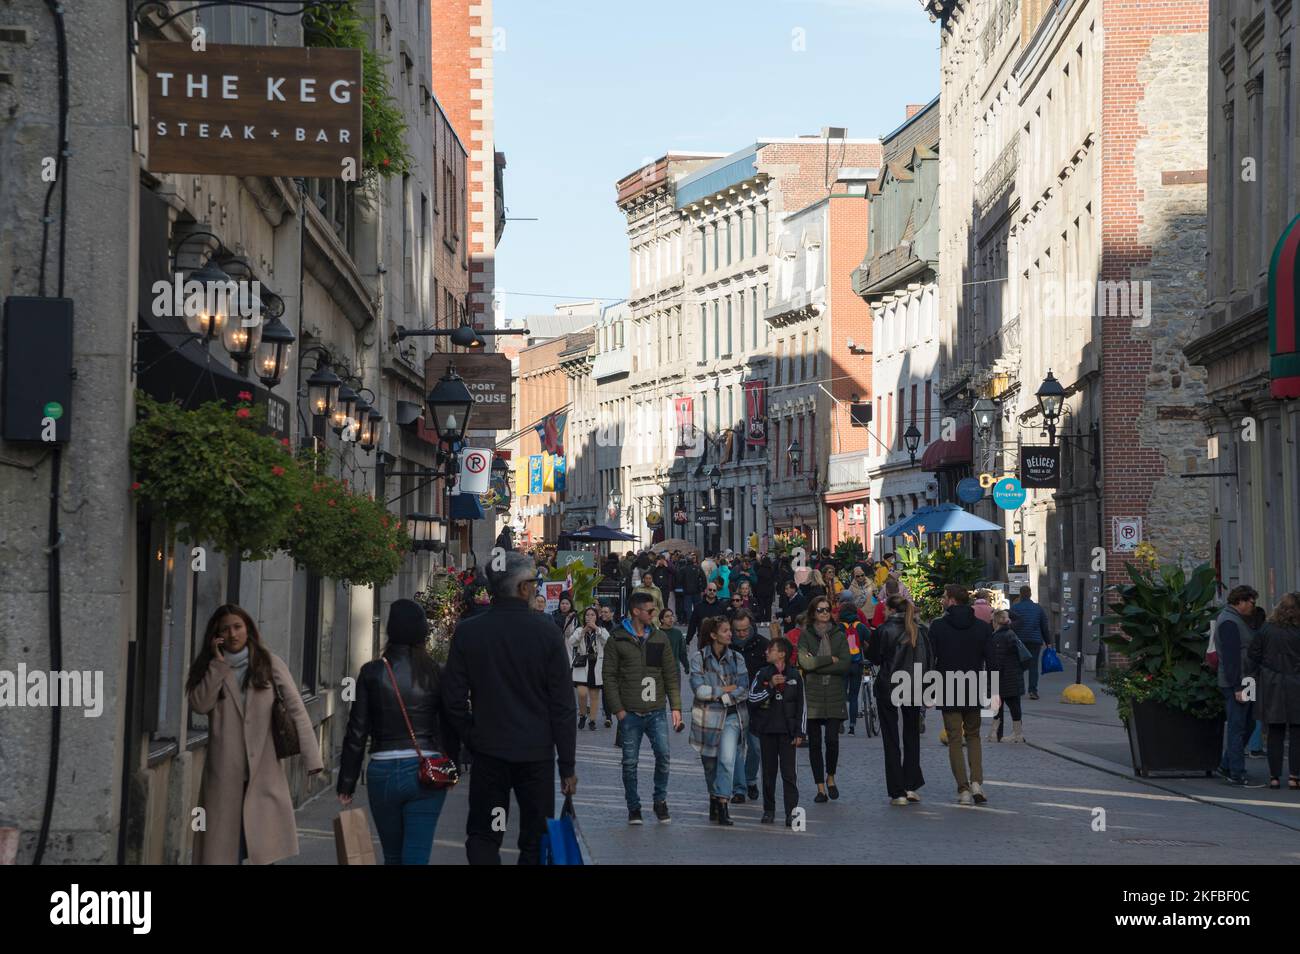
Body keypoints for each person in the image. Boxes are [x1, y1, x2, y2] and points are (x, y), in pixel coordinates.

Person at [443, 552, 578, 865]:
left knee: (486, 833)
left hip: (490, 751)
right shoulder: (546, 633)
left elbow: (451, 697)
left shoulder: (469, 632)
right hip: (536, 755)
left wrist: (471, 734)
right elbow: (563, 704)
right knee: (534, 839)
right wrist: (567, 765)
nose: (537, 589)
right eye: (534, 583)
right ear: (523, 589)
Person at [186, 604, 323, 864]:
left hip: (264, 772)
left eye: (237, 626)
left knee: (264, 851)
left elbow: (296, 710)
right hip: (224, 777)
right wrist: (218, 665)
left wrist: (312, 759)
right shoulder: (210, 667)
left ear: (248, 628)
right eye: (225, 629)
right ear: (217, 635)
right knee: (224, 853)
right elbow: (200, 705)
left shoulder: (269, 663)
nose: (233, 633)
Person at [337, 599, 455, 864]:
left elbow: (357, 730)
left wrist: (347, 780)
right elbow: (450, 722)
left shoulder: (372, 672)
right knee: (416, 856)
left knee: (392, 856)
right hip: (427, 770)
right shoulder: (436, 673)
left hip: (383, 770)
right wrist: (453, 765)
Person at [604, 591, 683, 824]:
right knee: (630, 763)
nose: (654, 614)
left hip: (656, 710)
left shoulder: (659, 638)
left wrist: (676, 707)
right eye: (650, 611)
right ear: (636, 612)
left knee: (664, 756)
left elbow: (670, 674)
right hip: (629, 713)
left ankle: (660, 801)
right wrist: (618, 711)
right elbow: (608, 676)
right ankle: (634, 807)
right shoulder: (617, 638)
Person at [928, 584, 995, 805]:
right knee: (974, 736)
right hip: (974, 685)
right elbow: (991, 660)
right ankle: (977, 782)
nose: (942, 600)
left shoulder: (937, 627)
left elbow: (931, 660)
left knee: (955, 739)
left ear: (952, 600)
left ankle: (963, 789)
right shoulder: (983, 627)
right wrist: (992, 690)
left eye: (944, 597)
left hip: (947, 686)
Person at [865, 592, 928, 806]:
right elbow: (928, 660)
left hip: (889, 685)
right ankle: (910, 785)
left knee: (891, 738)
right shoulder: (920, 630)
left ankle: (897, 790)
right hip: (913, 685)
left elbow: (874, 657)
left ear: (890, 610)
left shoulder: (884, 630)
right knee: (912, 736)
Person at [688, 616, 751, 825]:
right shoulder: (699, 658)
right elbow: (699, 689)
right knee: (710, 764)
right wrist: (724, 690)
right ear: (714, 635)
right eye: (725, 631)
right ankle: (714, 797)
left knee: (726, 760)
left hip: (732, 715)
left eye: (729, 630)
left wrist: (722, 697)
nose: (730, 634)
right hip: (706, 718)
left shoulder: (737, 658)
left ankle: (723, 804)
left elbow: (743, 688)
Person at [796, 597, 851, 803]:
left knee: (832, 740)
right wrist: (829, 659)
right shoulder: (806, 635)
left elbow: (845, 664)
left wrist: (817, 664)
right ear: (813, 613)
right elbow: (804, 663)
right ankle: (820, 788)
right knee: (815, 744)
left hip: (835, 695)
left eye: (828, 610)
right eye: (820, 610)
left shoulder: (838, 634)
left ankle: (831, 778)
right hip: (812, 696)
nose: (825, 613)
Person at [1245, 592, 1300, 790]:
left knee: (1275, 732)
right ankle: (1294, 776)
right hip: (1296, 684)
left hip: (1272, 684)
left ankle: (1274, 777)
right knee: (1296, 733)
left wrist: (1264, 670)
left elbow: (1253, 653)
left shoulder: (1266, 629)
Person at [749, 636, 805, 826]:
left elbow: (801, 706)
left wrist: (800, 732)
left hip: (788, 732)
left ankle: (791, 813)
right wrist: (771, 687)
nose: (766, 652)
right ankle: (769, 810)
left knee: (789, 775)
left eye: (770, 650)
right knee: (768, 773)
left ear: (781, 654)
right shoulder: (762, 673)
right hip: (767, 730)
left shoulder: (795, 676)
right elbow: (752, 698)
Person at [1215, 585, 1262, 786]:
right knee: (1238, 726)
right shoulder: (1229, 622)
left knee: (1248, 723)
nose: (1253, 605)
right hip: (1238, 681)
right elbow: (1230, 657)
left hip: (1245, 680)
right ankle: (1236, 773)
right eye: (1251, 601)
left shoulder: (1234, 619)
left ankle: (1227, 765)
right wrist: (1237, 688)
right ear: (1240, 601)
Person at [728, 609, 768, 803]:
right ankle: (739, 788)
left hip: (756, 703)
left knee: (756, 747)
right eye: (738, 631)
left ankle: (750, 779)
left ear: (751, 626)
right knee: (735, 747)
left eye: (745, 630)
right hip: (733, 703)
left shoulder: (762, 644)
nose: (742, 634)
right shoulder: (727, 646)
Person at [568, 606, 610, 732]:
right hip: (582, 664)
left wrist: (596, 629)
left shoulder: (601, 630)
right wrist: (583, 632)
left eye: (592, 615)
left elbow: (608, 641)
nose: (589, 617)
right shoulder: (580, 629)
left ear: (596, 617)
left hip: (596, 664)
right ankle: (582, 714)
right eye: (587, 615)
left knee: (594, 695)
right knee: (581, 692)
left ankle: (592, 720)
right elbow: (572, 642)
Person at [987, 609, 1026, 743]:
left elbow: (998, 660)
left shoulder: (998, 637)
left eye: (992, 621)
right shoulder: (1011, 633)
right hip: (1013, 675)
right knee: (1013, 705)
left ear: (996, 622)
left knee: (998, 705)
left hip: (1003, 677)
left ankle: (997, 733)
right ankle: (1017, 733)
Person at [1010, 584, 1052, 699]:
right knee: (1033, 666)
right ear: (1030, 594)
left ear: (1020, 594)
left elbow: (1010, 625)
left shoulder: (1015, 608)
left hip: (1019, 641)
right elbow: (1044, 626)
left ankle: (1018, 689)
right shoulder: (1038, 608)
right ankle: (1033, 690)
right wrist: (1048, 642)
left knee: (1018, 665)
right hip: (1035, 640)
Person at [837, 593, 868, 735]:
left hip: (842, 664)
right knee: (854, 696)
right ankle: (852, 726)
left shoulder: (838, 628)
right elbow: (871, 641)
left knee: (842, 694)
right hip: (857, 663)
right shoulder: (860, 626)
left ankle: (841, 722)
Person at [660, 607, 688, 673]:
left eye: (672, 616)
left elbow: (682, 651)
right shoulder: (657, 633)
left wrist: (686, 665)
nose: (670, 618)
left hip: (675, 669)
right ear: (662, 620)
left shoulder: (677, 633)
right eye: (667, 616)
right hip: (661, 670)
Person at [678, 553, 705, 620]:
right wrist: (703, 589)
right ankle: (697, 619)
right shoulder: (698, 568)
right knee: (697, 606)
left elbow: (679, 580)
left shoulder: (683, 569)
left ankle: (690, 620)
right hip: (697, 590)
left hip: (687, 591)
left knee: (688, 608)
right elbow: (703, 578)